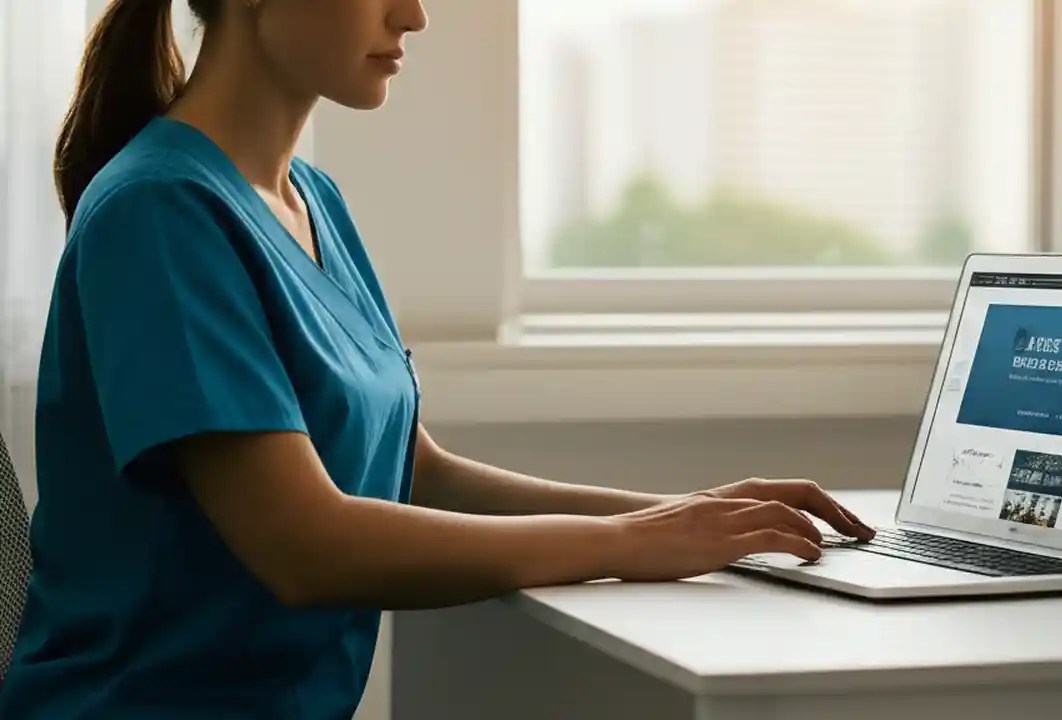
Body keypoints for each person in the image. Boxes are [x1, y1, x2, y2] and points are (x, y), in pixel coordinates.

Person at [0, 1, 874, 717]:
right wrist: (625, 542)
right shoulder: (159, 212)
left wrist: (690, 517)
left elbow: (412, 473)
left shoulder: (312, 201)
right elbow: (305, 547)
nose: (413, 15)